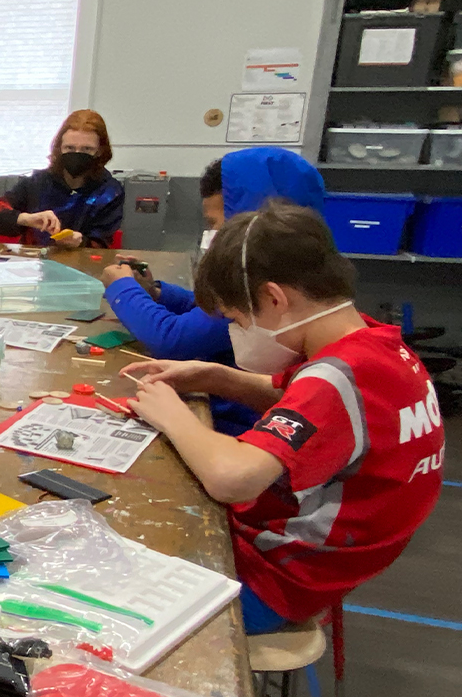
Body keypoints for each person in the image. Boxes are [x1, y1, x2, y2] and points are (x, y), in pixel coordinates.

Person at [123, 202, 444, 636]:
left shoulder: (335, 376)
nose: (236, 332)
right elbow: (305, 405)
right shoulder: (376, 347)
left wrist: (175, 417)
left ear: (275, 298)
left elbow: (232, 477)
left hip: (274, 581)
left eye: (237, 320)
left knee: (118, 548)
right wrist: (221, 378)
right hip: (326, 568)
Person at [99, 148, 326, 435]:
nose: (216, 235)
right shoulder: (297, 264)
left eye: (218, 224)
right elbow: (210, 311)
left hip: (243, 426)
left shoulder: (269, 279)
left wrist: (122, 289)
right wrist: (156, 293)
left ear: (251, 218)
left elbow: (172, 339)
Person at [0, 109, 124, 248]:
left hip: (83, 269)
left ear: (99, 151)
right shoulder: (38, 182)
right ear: (59, 148)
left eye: (87, 149)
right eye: (70, 148)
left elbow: (103, 243)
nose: (77, 154)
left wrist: (80, 241)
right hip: (34, 266)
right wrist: (27, 219)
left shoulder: (110, 191)